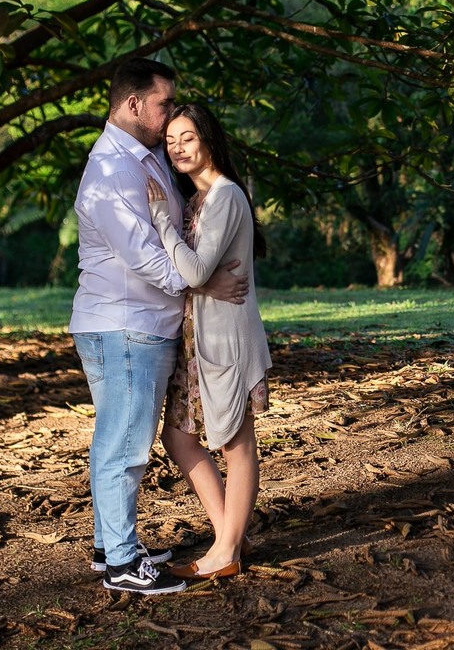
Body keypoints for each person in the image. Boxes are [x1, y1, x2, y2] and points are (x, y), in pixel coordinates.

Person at [70, 58, 249, 595]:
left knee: (121, 437)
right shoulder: (111, 170)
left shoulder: (140, 160)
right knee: (124, 444)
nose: (170, 111)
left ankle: (111, 547)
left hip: (141, 325)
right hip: (125, 325)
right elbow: (145, 257)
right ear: (133, 105)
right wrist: (202, 285)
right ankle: (123, 563)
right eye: (164, 103)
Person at [145, 103, 272, 580]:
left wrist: (160, 219)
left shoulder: (225, 196)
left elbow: (195, 268)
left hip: (225, 339)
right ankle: (229, 541)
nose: (177, 148)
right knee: (178, 438)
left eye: (188, 138)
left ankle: (227, 549)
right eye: (170, 141)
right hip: (195, 341)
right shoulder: (198, 199)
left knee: (235, 443)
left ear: (209, 140)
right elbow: (197, 273)